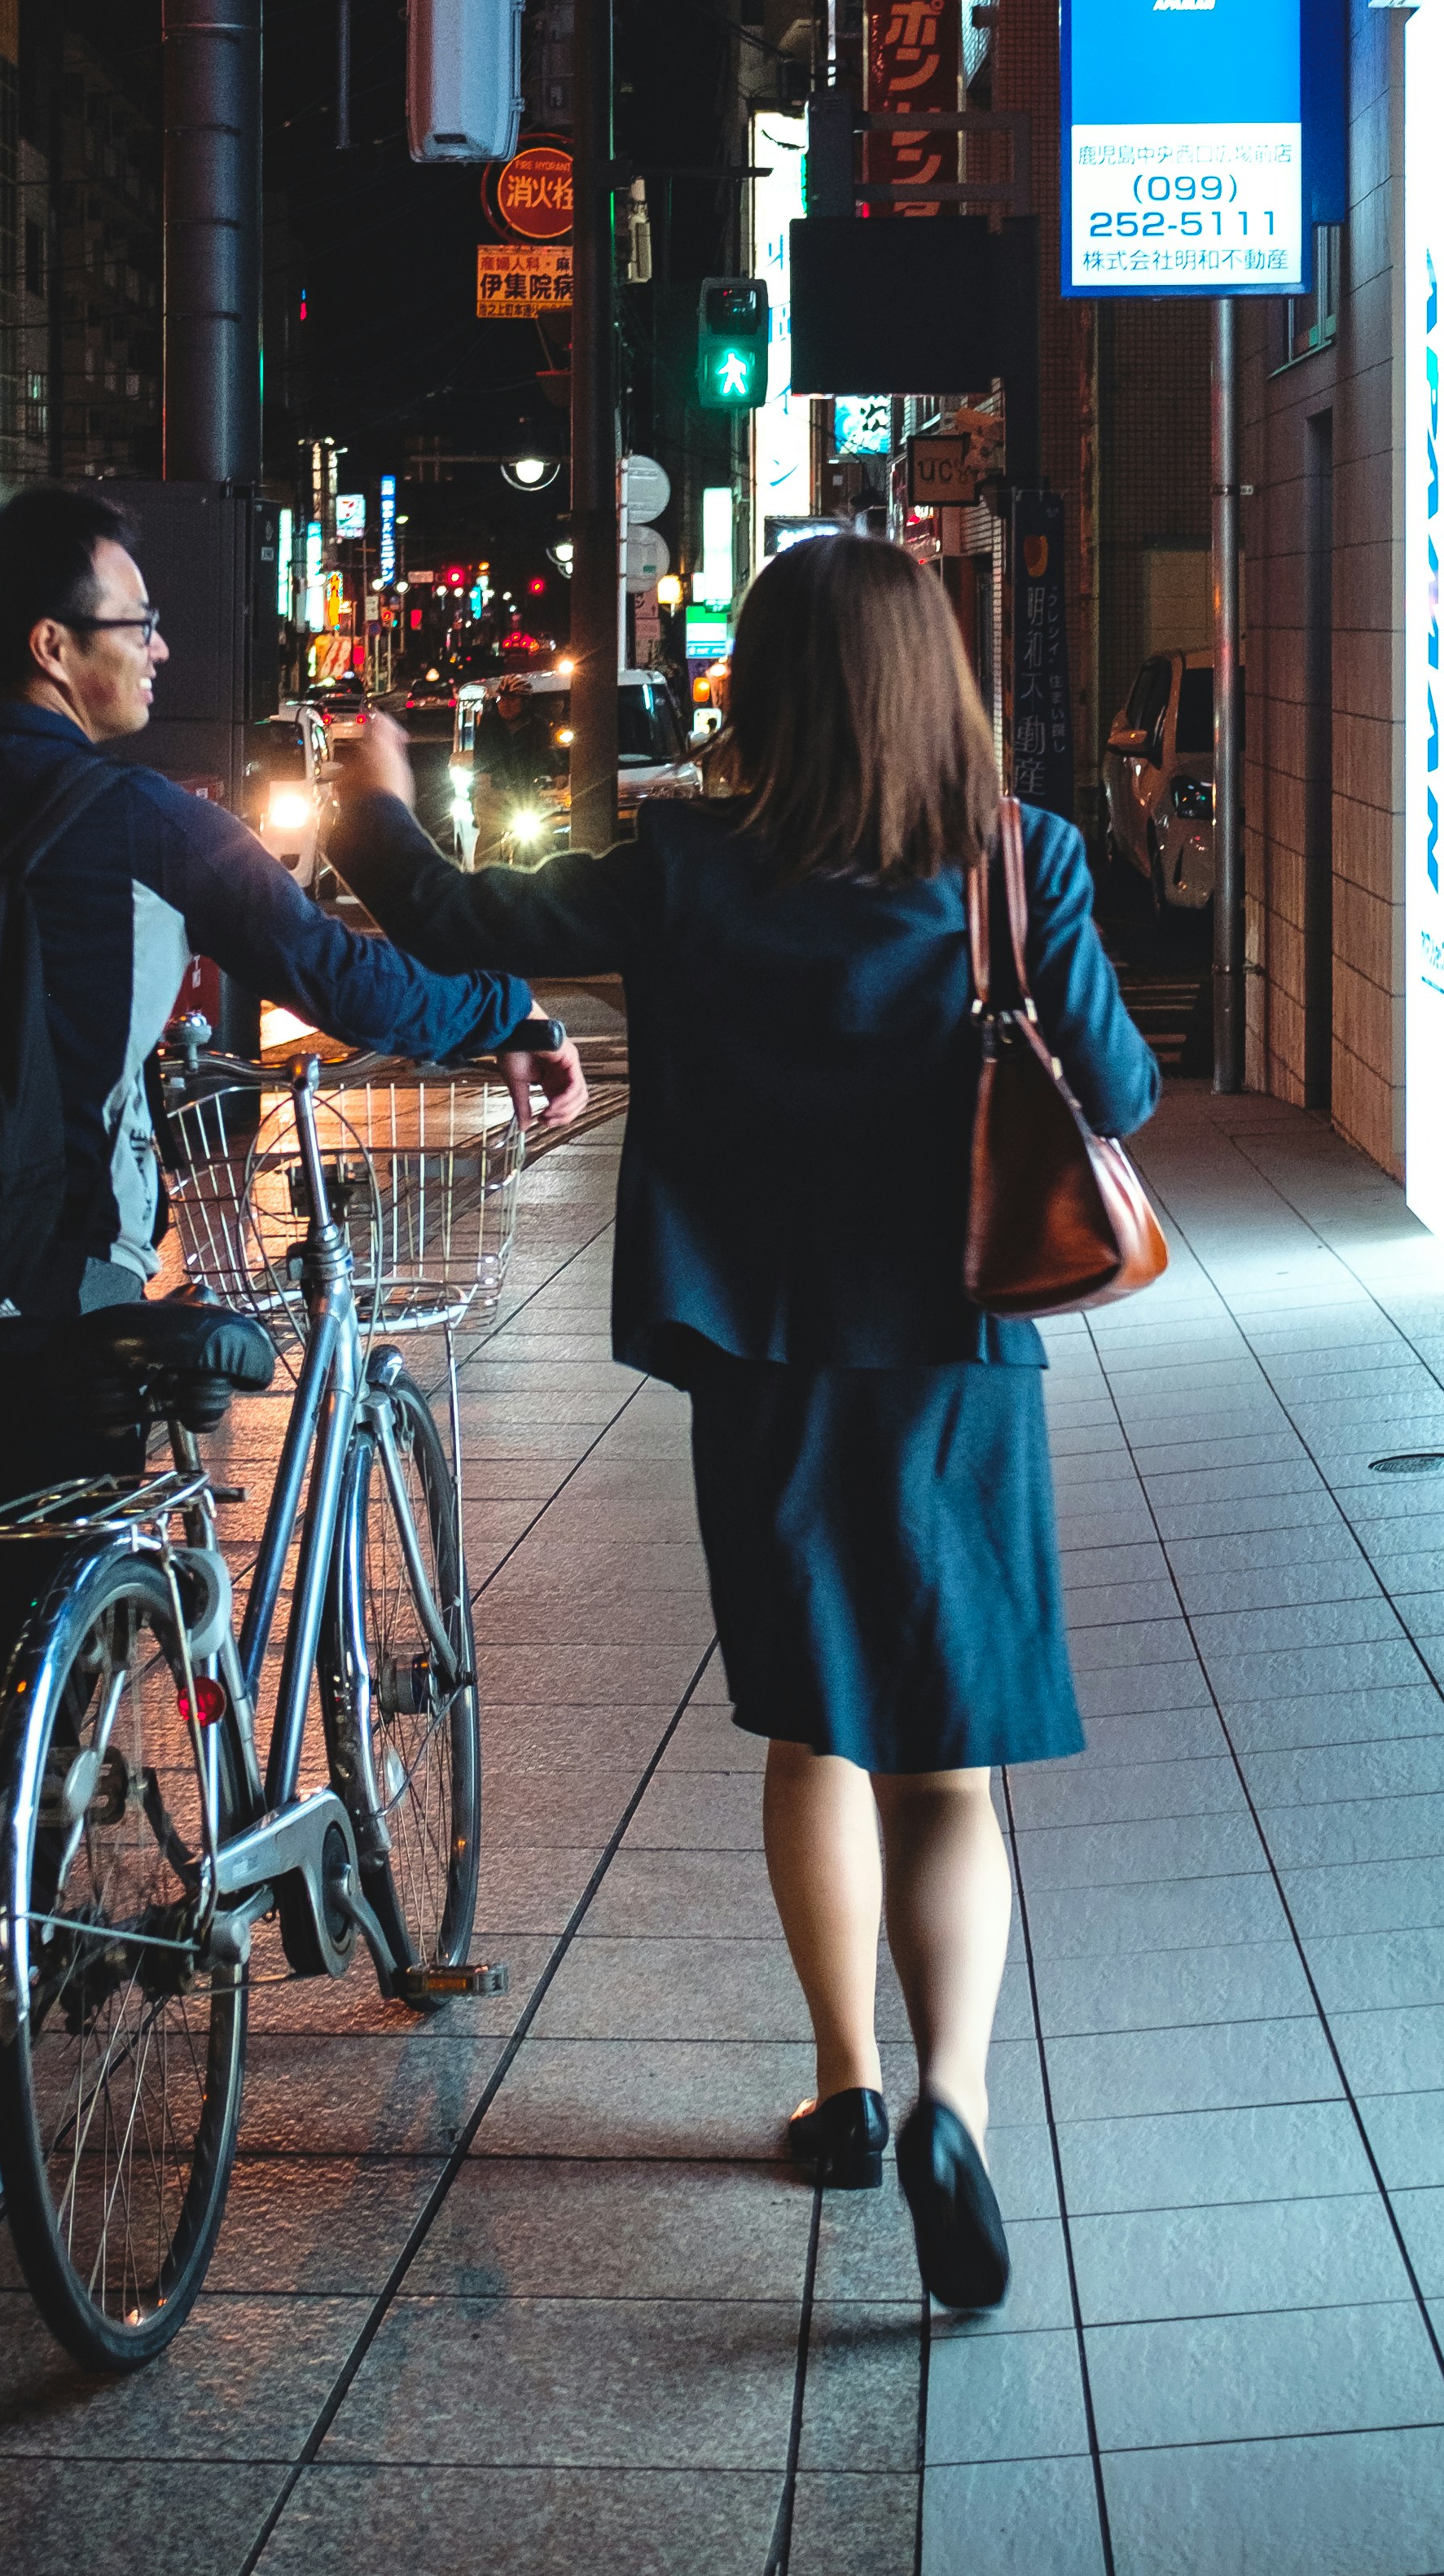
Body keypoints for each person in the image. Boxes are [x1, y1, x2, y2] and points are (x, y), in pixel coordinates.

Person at [330, 531, 1157, 2313]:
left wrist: (372, 797)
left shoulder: (691, 865)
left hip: (764, 1356)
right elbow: (1121, 1087)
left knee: (816, 1731)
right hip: (951, 1354)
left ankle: (844, 2087)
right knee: (949, 1760)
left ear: (765, 692)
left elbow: (461, 919)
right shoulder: (1019, 854)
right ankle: (953, 2105)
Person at [0, 484, 569, 2223]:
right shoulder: (136, 819)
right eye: (138, 623)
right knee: (50, 1634)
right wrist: (510, 1013)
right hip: (54, 1310)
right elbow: (352, 983)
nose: (163, 648)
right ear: (57, 648)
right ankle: (58, 1889)